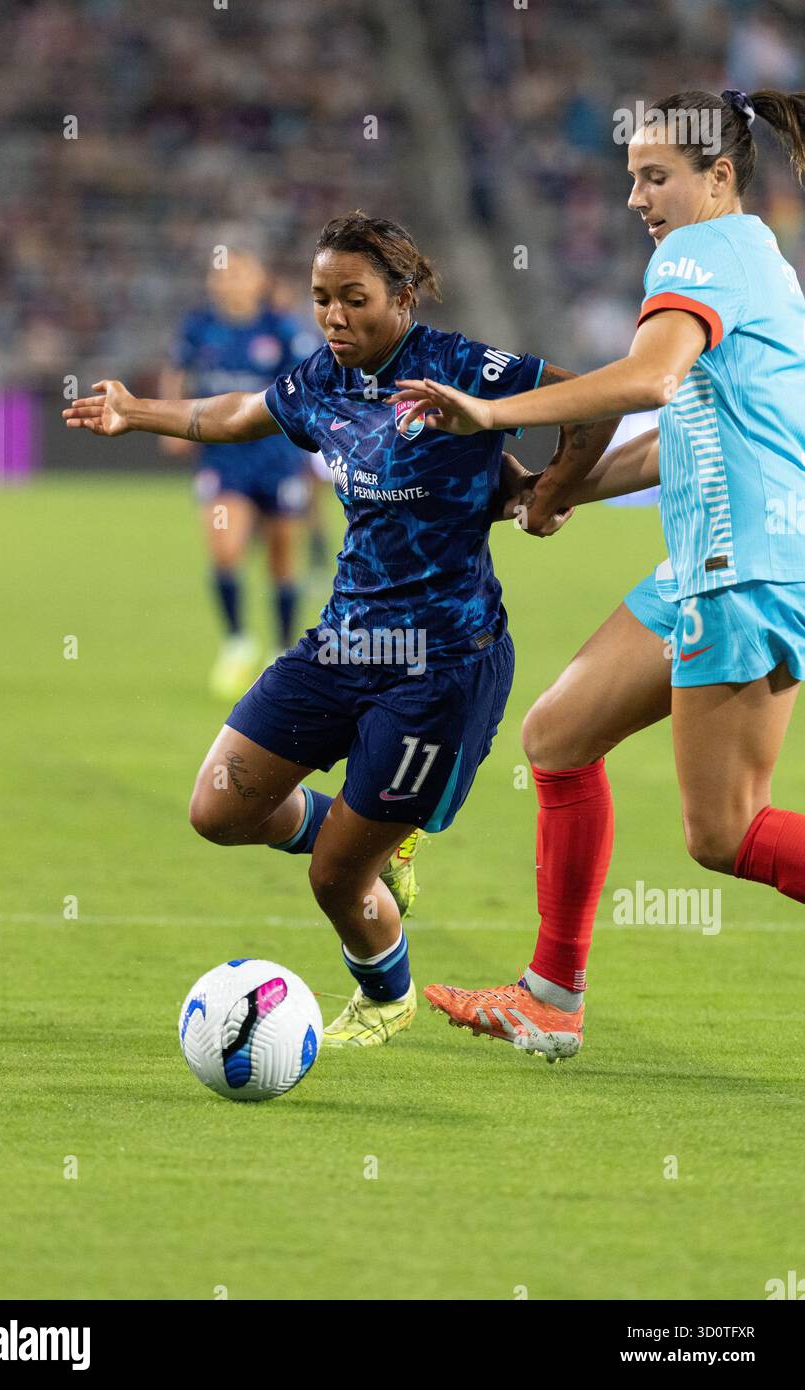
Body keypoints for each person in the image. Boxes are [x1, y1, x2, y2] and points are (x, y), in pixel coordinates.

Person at [63, 212, 619, 1048]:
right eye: (322, 298)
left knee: (335, 876)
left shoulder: (465, 366)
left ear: (401, 297)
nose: (333, 317)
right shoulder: (321, 380)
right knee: (216, 808)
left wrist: (552, 492)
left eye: (352, 299)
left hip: (442, 663)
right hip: (345, 641)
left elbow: (590, 401)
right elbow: (239, 412)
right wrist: (137, 412)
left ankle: (384, 992)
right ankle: (376, 834)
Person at [388, 88, 805, 1061]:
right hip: (718, 560)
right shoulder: (756, 263)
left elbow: (648, 380)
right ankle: (548, 997)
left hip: (737, 567)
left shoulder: (697, 255)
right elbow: (675, 431)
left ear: (716, 176)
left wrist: (494, 417)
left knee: (721, 832)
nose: (635, 198)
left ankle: (550, 995)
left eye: (654, 176)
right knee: (557, 734)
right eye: (629, 178)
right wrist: (557, 488)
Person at [159, 249, 319, 699]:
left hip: (277, 457)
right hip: (223, 458)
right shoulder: (199, 327)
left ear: (259, 280)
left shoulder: (281, 328)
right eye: (222, 274)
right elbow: (176, 371)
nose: (229, 281)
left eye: (240, 273)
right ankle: (236, 641)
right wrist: (173, 420)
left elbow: (311, 379)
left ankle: (282, 650)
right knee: (224, 548)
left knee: (282, 555)